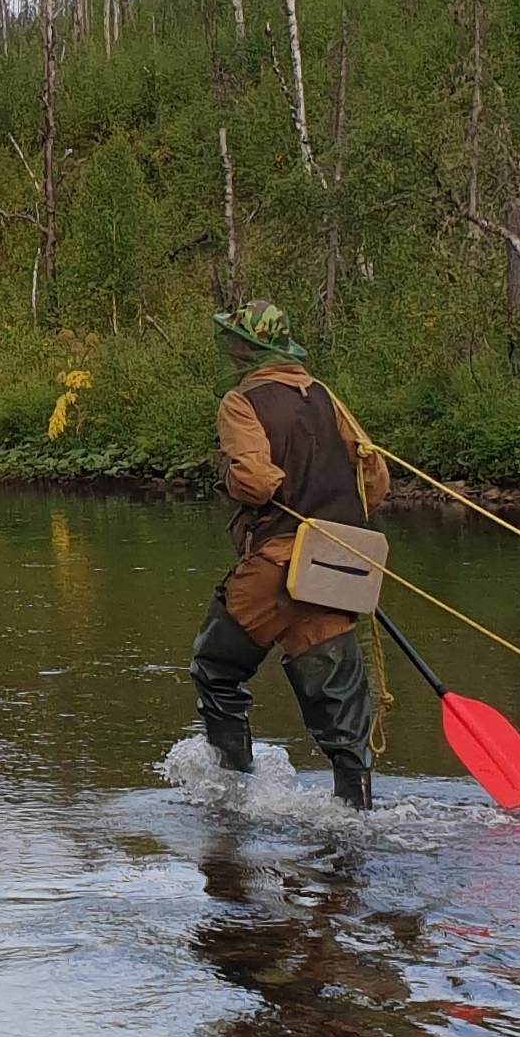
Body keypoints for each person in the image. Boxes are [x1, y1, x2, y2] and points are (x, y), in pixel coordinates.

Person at [193, 301, 389, 806]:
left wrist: (231, 478)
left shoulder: (241, 402)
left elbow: (258, 482)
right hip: (336, 567)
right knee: (342, 713)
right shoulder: (326, 397)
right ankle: (356, 813)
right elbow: (376, 478)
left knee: (216, 669)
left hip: (277, 565)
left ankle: (232, 795)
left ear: (246, 348)